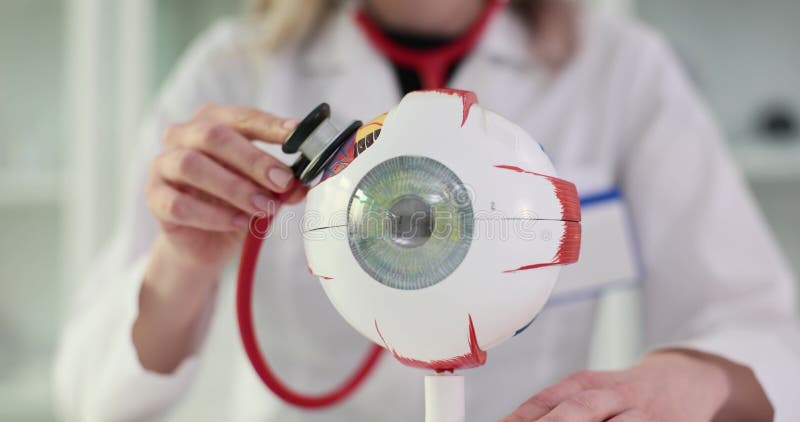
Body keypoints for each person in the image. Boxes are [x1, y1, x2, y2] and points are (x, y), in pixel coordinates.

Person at [54, 0, 800, 421]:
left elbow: (762, 325)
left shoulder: (620, 66)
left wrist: (675, 386)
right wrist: (182, 260)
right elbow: (90, 398)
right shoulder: (235, 69)